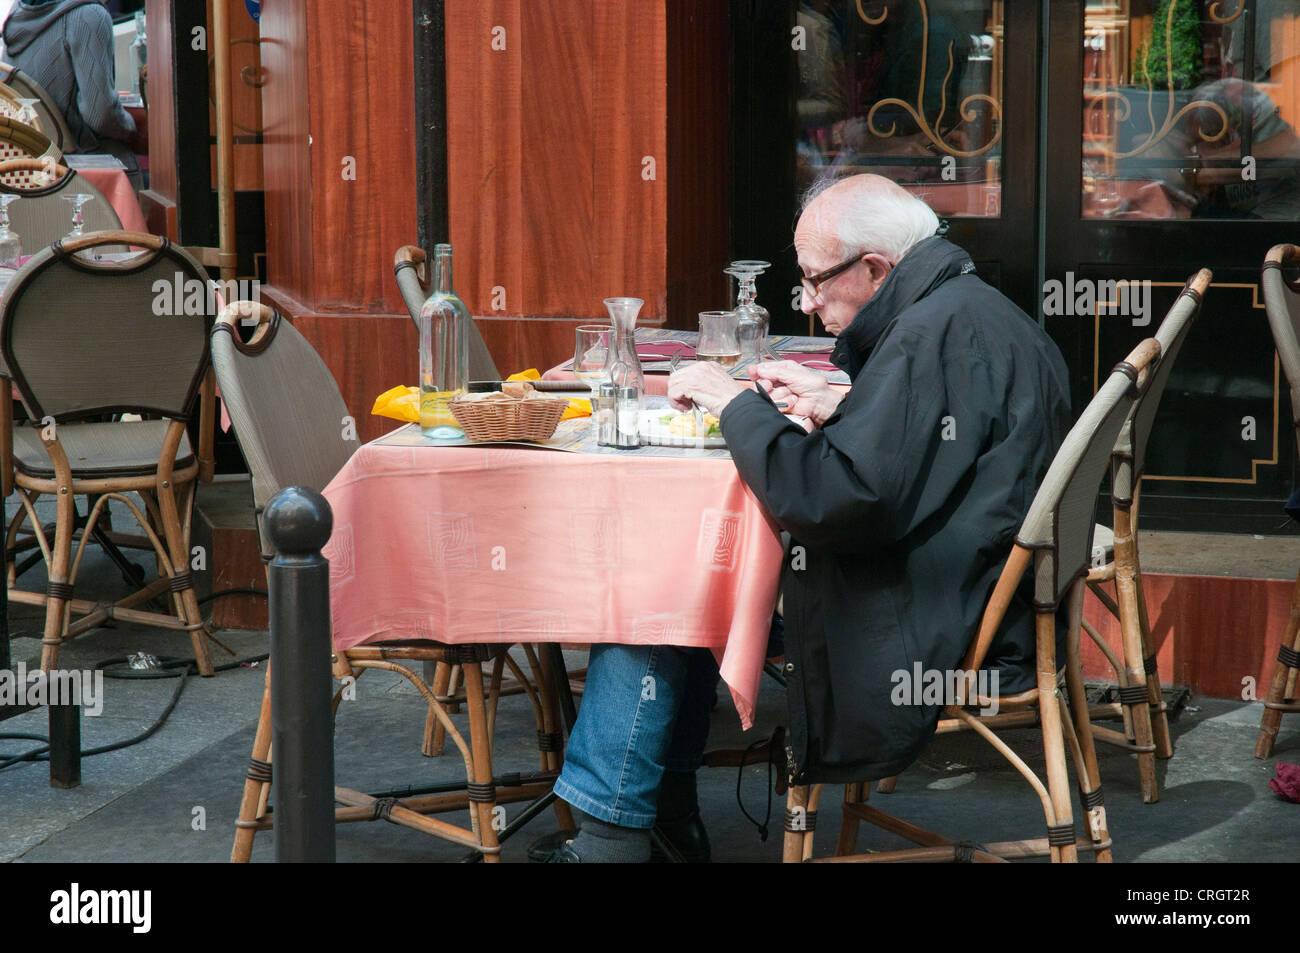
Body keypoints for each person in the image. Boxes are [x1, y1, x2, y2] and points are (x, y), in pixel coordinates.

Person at [537, 173, 1071, 862]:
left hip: (928, 618)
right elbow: (926, 449)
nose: (808, 300)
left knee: (664, 579)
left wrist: (733, 403)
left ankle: (612, 839)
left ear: (875, 268)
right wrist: (843, 403)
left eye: (816, 280)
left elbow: (830, 499)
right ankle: (662, 814)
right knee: (694, 570)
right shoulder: (965, 308)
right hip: (976, 590)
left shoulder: (927, 335)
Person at [3, 0, 140, 182]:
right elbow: (101, 116)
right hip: (76, 172)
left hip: (24, 168)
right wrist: (135, 130)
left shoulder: (18, 12)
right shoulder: (89, 16)